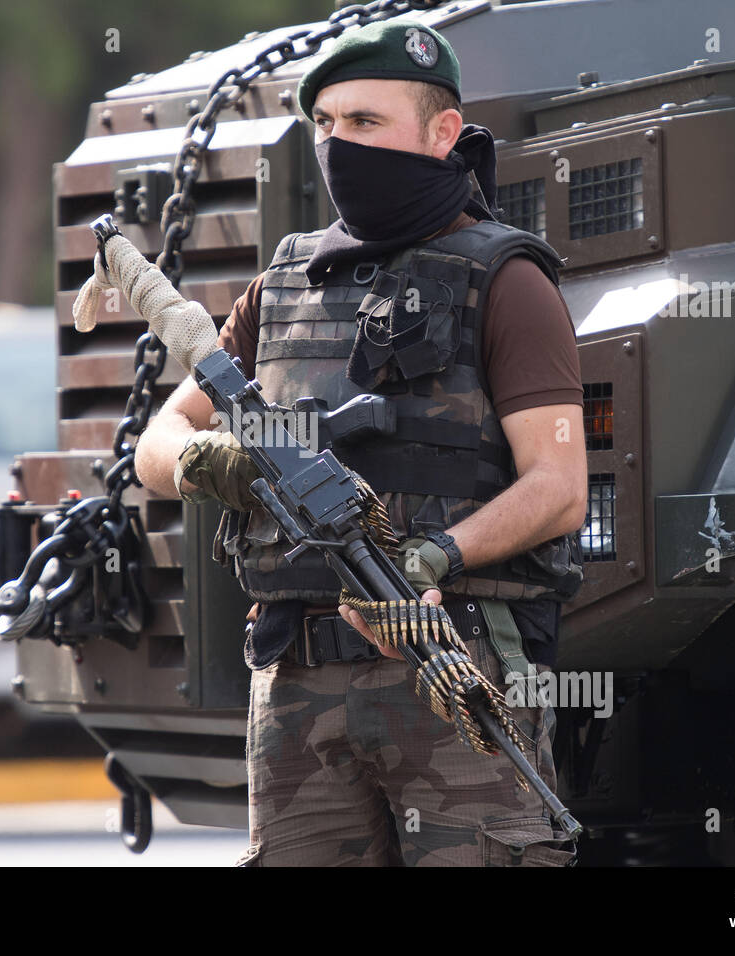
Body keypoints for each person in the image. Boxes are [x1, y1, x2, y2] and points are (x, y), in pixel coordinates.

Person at [133, 19, 587, 866]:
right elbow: (157, 441)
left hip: (455, 665)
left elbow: (559, 485)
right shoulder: (284, 286)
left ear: (442, 132)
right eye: (327, 125)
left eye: (366, 122)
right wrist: (208, 462)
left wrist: (431, 561)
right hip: (296, 684)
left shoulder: (510, 281)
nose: (341, 144)